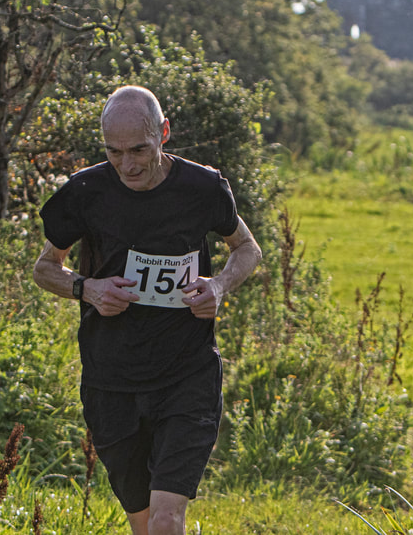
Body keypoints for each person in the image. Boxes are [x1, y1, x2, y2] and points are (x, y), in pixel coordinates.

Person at [33, 85, 262, 535]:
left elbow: (247, 249)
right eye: (114, 153)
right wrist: (88, 289)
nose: (128, 165)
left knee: (165, 518)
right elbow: (44, 269)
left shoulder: (203, 188)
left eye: (139, 149)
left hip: (186, 374)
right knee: (143, 523)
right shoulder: (85, 191)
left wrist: (218, 286)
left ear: (164, 133)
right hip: (111, 380)